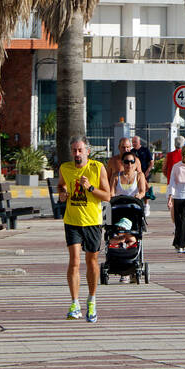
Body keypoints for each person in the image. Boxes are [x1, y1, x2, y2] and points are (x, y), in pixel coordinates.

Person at [57, 136, 111, 323]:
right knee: (74, 261)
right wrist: (63, 193)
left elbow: (107, 196)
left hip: (92, 222)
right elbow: (61, 186)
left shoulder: (97, 168)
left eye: (80, 150)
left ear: (87, 151)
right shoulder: (65, 168)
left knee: (92, 261)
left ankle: (92, 300)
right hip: (72, 221)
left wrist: (90, 187)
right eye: (74, 150)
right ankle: (74, 303)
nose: (77, 154)